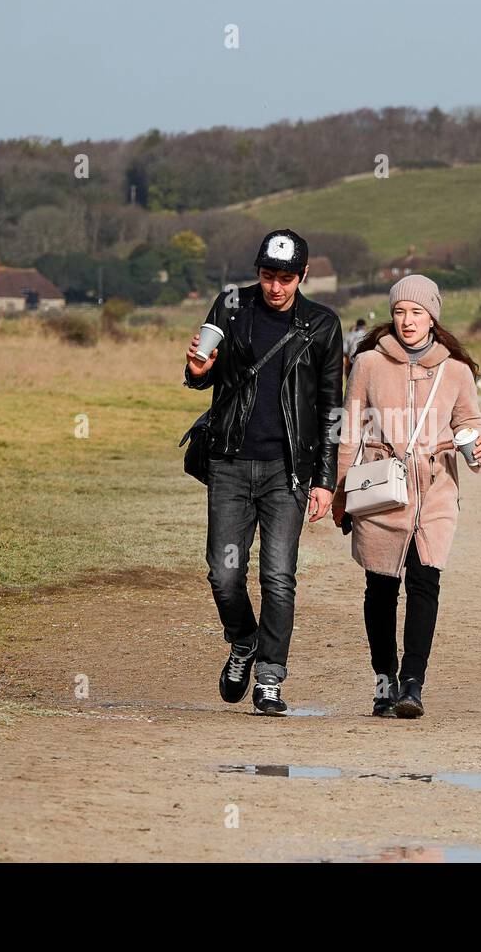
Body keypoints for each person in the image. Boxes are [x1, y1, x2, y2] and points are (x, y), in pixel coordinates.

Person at [184, 229, 343, 715]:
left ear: (304, 276)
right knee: (224, 574)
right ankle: (244, 641)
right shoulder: (231, 306)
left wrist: (324, 479)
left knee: (278, 577)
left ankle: (270, 678)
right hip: (230, 462)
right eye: (268, 276)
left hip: (287, 472)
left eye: (286, 278)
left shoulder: (322, 325)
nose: (276, 287)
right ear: (258, 272)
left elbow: (331, 405)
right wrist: (197, 369)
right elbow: (204, 374)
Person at [332, 275, 481, 719]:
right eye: (400, 311)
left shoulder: (456, 370)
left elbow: (472, 423)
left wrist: (476, 449)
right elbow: (349, 432)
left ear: (433, 317)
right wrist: (342, 490)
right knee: (380, 589)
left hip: (437, 490)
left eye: (417, 312)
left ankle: (412, 684)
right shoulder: (366, 363)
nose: (407, 320)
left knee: (426, 582)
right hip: (381, 490)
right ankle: (384, 680)